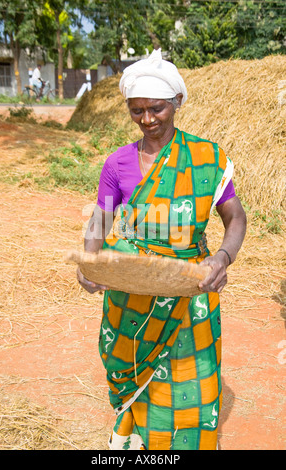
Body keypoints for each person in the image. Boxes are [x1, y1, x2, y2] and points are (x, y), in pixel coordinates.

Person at [77, 49, 247, 450]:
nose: (147, 120)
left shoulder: (207, 158)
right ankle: (136, 434)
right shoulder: (118, 163)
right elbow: (101, 220)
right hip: (132, 289)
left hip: (191, 287)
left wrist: (222, 257)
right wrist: (90, 259)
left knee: (191, 375)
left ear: (177, 103)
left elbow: (235, 218)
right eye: (137, 111)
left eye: (156, 109)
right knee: (134, 365)